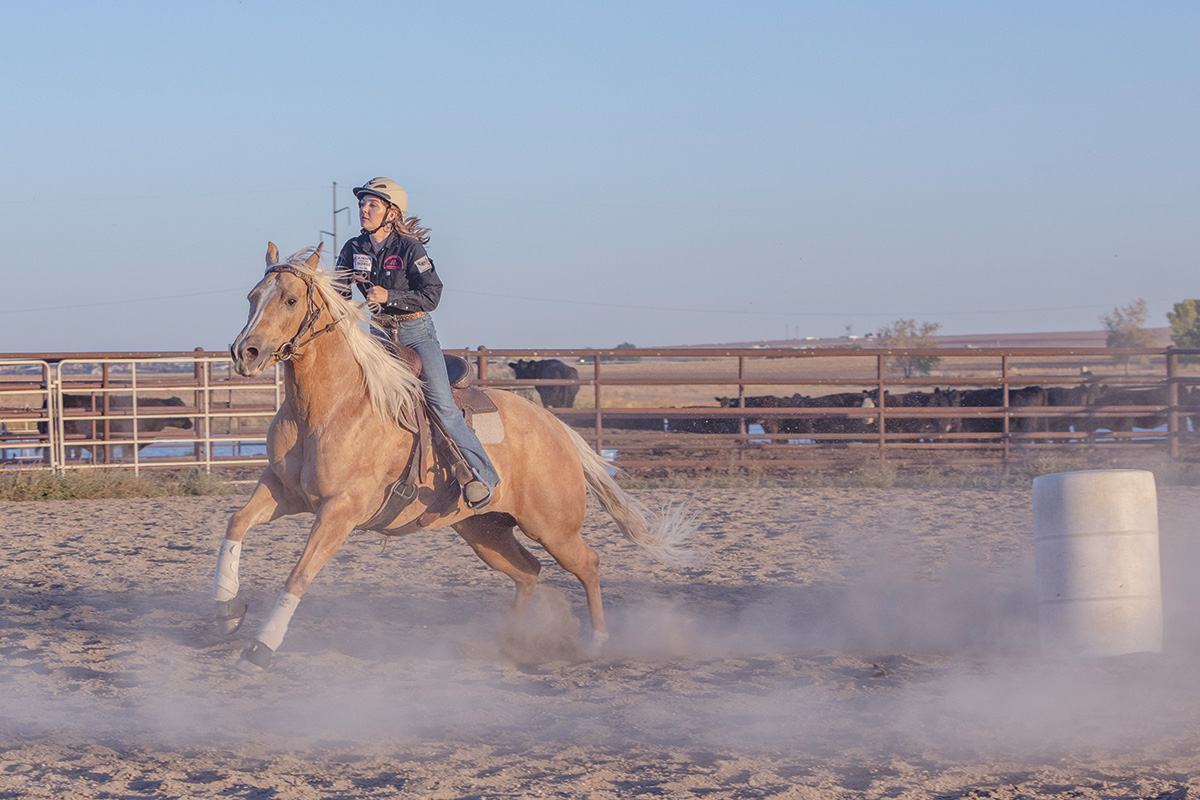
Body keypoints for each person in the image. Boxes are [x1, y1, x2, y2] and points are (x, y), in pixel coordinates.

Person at [335, 177, 499, 510]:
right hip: (378, 335)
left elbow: (432, 294)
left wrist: (389, 296)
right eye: (362, 204)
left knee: (441, 403)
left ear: (391, 212)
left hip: (416, 333)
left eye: (372, 205)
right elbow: (338, 292)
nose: (364, 210)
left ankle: (482, 477)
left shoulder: (410, 249)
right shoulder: (353, 249)